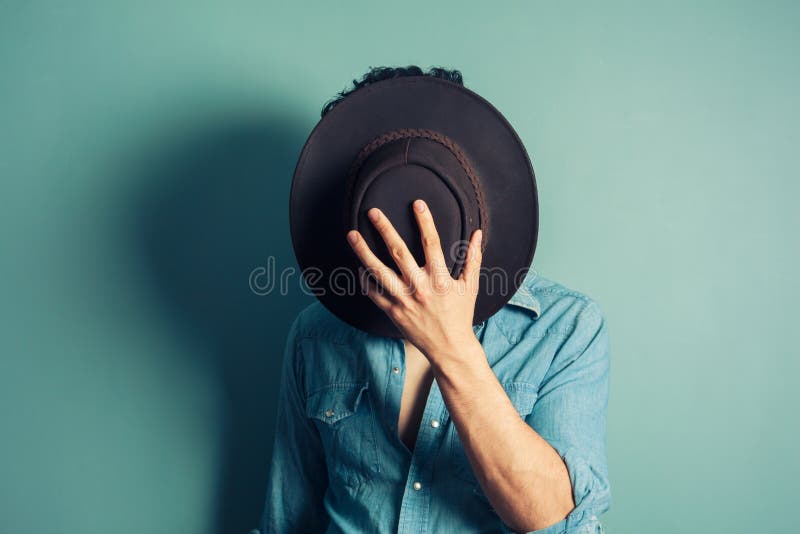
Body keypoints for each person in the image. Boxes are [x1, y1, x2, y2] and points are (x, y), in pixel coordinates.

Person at [253, 66, 610, 534]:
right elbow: (287, 521)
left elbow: (556, 520)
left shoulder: (565, 329)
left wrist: (450, 345)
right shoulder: (317, 334)